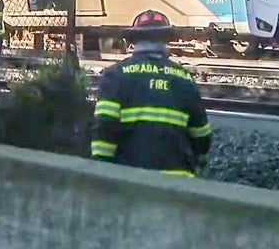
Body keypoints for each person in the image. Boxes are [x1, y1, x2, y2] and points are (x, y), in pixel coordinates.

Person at [89, 10, 212, 177]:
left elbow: (105, 128)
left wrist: (102, 170)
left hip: (130, 180)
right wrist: (197, 166)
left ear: (133, 41)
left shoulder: (115, 76)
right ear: (167, 40)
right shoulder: (184, 79)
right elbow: (202, 136)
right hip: (177, 184)